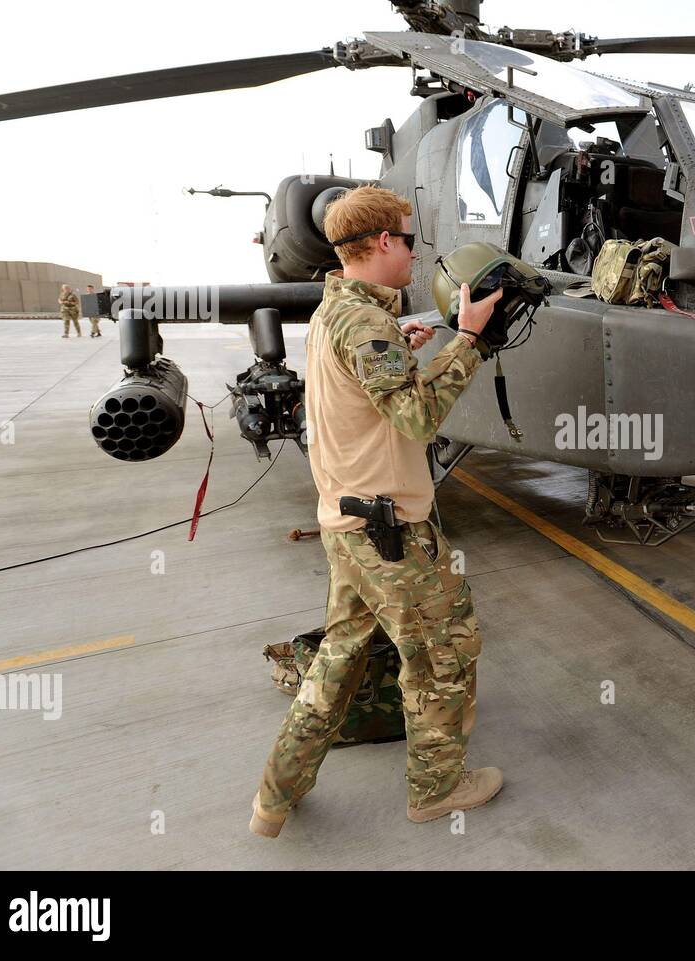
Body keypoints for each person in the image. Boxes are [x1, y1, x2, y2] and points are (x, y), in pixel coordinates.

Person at [250, 185, 504, 837]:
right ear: (385, 240)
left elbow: (370, 394)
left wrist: (404, 345)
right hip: (388, 533)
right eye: (409, 241)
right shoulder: (365, 324)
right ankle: (437, 789)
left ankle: (275, 797)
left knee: (339, 661)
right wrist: (468, 340)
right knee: (444, 653)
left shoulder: (337, 311)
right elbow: (417, 418)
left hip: (346, 523)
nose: (415, 254)